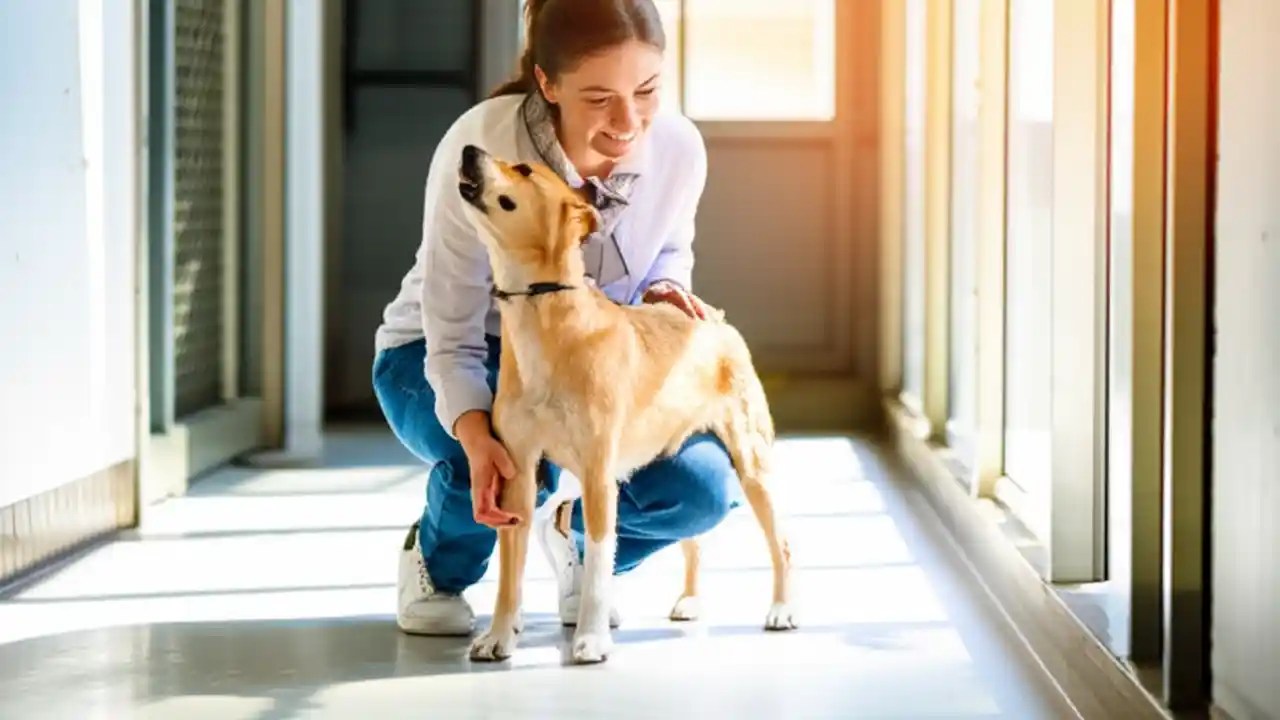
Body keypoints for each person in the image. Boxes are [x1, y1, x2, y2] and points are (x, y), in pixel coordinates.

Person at [371, 0, 741, 637]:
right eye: (599, 98)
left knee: (702, 488)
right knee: (512, 460)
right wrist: (475, 430)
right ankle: (438, 565)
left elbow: (670, 251)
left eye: (647, 90)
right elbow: (451, 323)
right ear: (547, 83)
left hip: (591, 359)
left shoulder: (678, 147)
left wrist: (665, 292)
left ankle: (576, 539)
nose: (629, 121)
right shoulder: (484, 145)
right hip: (445, 351)